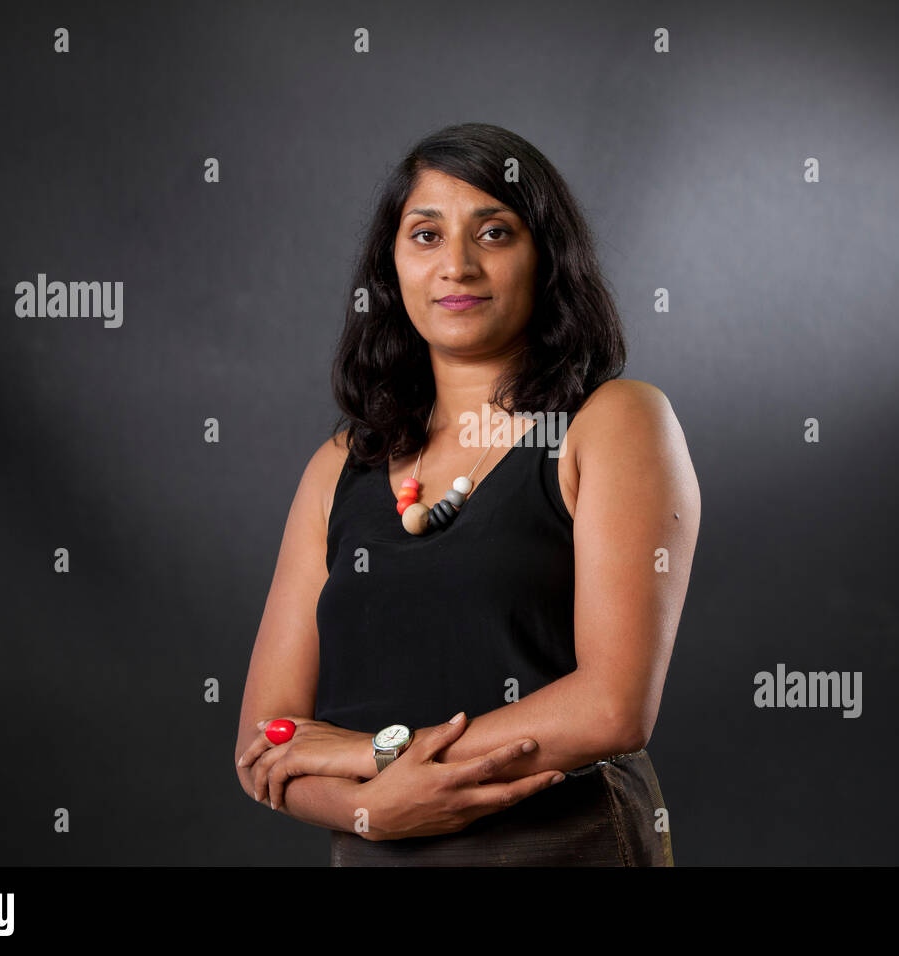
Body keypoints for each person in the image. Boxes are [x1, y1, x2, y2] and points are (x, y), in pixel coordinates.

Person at [234, 122, 700, 865]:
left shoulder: (613, 423)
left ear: (547, 259)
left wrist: (381, 756)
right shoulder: (338, 468)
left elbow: (613, 707)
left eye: (494, 233)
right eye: (425, 235)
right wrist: (371, 809)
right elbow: (266, 745)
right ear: (390, 266)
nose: (457, 264)